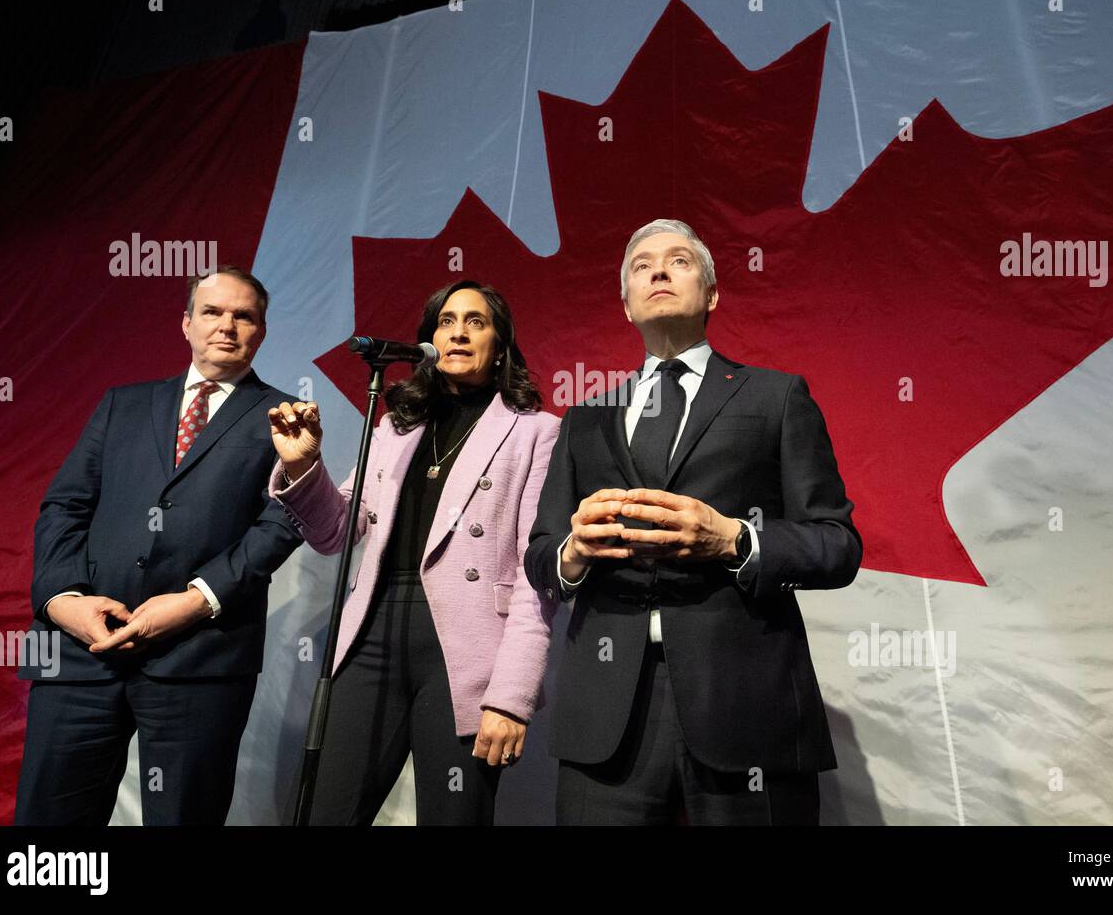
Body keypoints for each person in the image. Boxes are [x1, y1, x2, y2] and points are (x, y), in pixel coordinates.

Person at [525, 219, 863, 825]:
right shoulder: (584, 418)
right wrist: (574, 551)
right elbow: (541, 554)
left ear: (711, 294)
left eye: (679, 261)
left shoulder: (776, 397)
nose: (657, 270)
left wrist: (733, 538)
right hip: (607, 717)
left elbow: (837, 545)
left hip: (745, 704)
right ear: (626, 304)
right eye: (641, 265)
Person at [16, 266, 304, 825]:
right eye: (213, 312)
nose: (227, 326)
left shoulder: (285, 419)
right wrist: (62, 602)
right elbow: (64, 507)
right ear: (186, 324)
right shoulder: (121, 404)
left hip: (200, 654)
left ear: (261, 332)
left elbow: (284, 522)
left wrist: (196, 601)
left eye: (243, 316)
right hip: (79, 651)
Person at [267, 280, 559, 825]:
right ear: (427, 342)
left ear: (501, 344)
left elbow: (533, 573)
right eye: (446, 322)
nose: (458, 332)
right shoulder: (394, 427)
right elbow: (334, 532)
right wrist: (305, 467)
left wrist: (513, 694)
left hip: (463, 647)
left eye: (476, 322)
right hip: (374, 630)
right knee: (328, 810)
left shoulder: (535, 432)